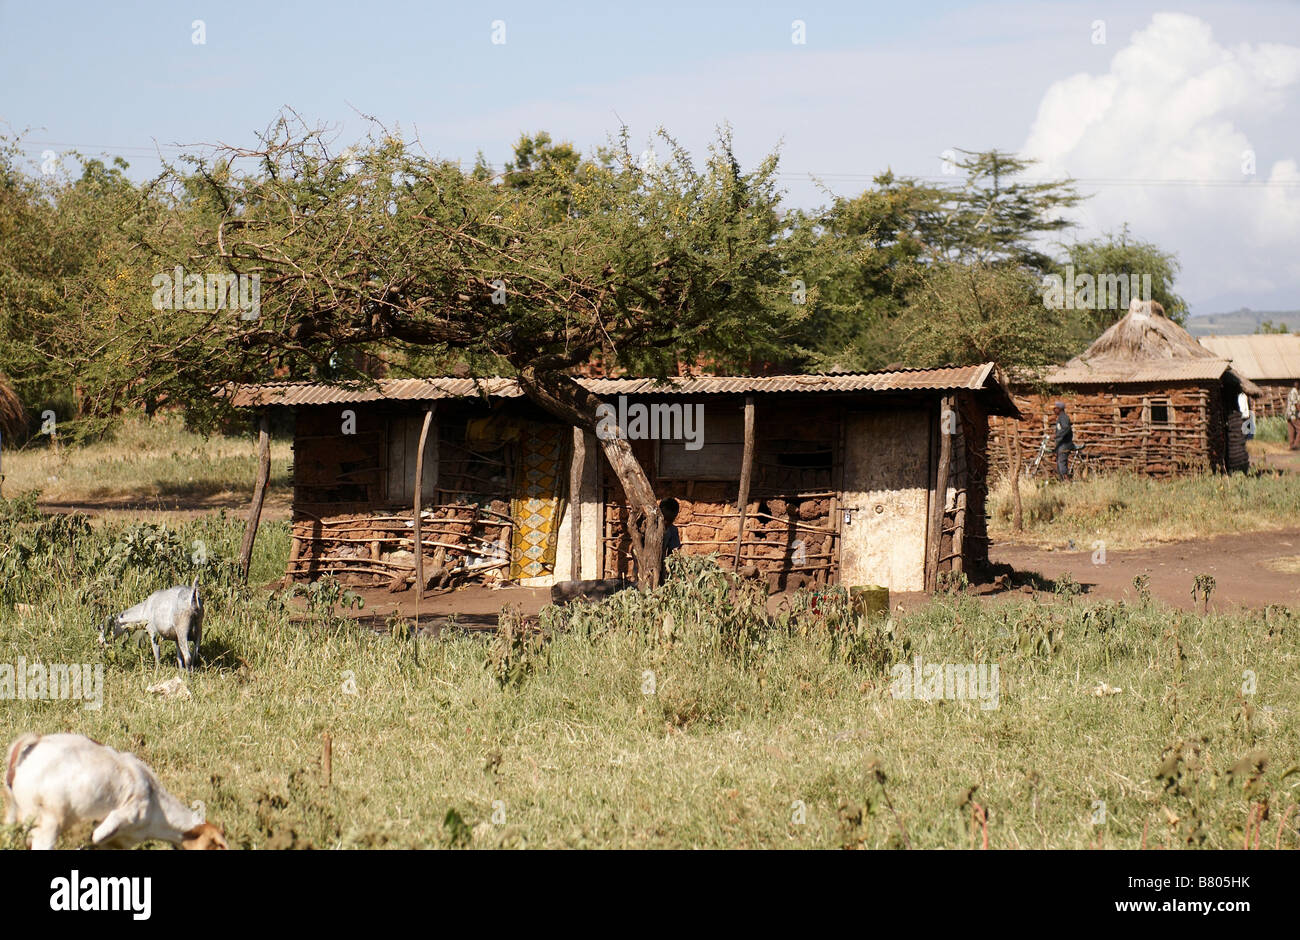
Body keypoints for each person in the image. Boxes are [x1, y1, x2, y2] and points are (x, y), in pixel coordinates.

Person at [1053, 401, 1074, 481]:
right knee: (1059, 462)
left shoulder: (1064, 417)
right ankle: (1062, 481)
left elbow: (1066, 428)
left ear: (1059, 409)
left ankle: (1067, 481)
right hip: (1061, 444)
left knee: (1061, 463)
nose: (1054, 410)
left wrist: (1057, 435)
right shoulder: (1060, 417)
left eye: (1055, 408)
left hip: (1065, 444)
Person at [1288, 384, 1300, 451]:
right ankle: (1295, 445)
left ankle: (1291, 446)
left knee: (1291, 431)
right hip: (1293, 414)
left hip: (1289, 414)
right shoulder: (1294, 392)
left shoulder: (1292, 392)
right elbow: (1296, 404)